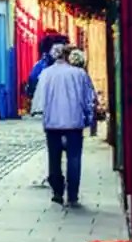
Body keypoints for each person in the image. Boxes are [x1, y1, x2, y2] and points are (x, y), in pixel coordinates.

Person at [39, 43, 97, 206]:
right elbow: (87, 98)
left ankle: (57, 191)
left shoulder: (47, 73)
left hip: (52, 123)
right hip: (74, 122)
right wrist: (88, 116)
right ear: (68, 56)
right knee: (74, 158)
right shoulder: (79, 74)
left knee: (54, 158)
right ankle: (72, 194)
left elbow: (40, 99)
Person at [26, 31, 69, 115]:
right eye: (56, 50)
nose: (59, 53)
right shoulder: (42, 66)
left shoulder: (40, 66)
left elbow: (32, 81)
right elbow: (33, 80)